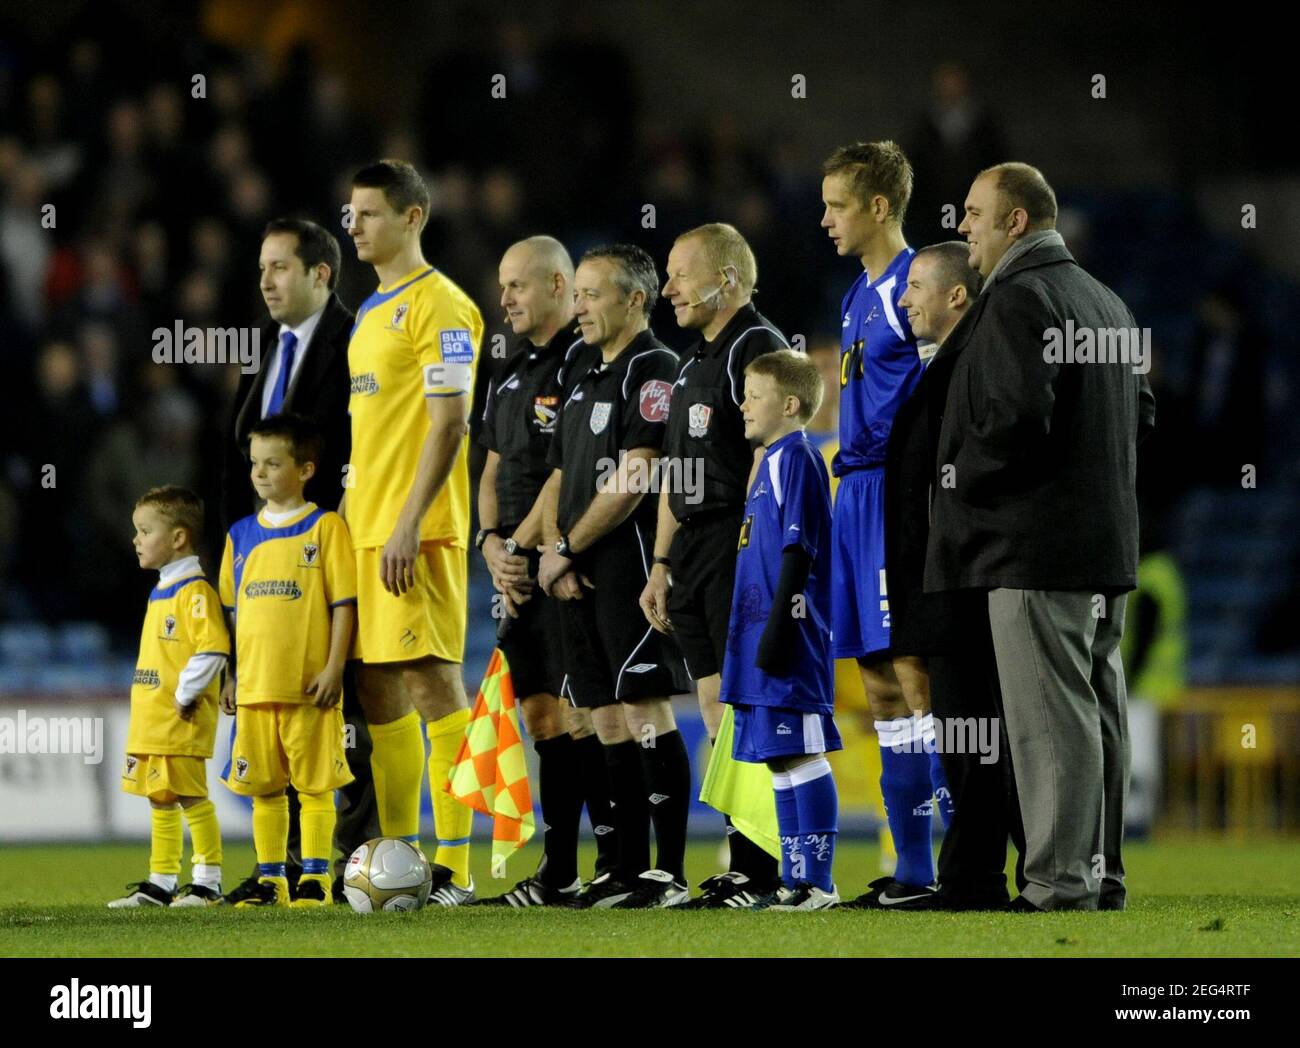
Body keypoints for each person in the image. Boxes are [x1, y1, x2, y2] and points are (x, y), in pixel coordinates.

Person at [927, 162, 1156, 911]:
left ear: (1016, 220)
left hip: (1031, 548)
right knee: (1097, 712)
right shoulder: (1109, 303)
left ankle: (1059, 882)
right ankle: (1101, 873)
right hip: (1106, 548)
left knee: (1048, 723)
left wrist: (956, 476)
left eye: (973, 213)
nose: (963, 227)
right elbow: (1143, 417)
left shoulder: (1019, 299)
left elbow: (1017, 419)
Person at [220, 217, 378, 905]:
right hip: (267, 550)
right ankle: (278, 872)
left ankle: (350, 861)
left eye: (280, 266)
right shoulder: (265, 346)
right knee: (281, 733)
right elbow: (241, 445)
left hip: (336, 544)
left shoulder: (357, 339)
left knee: (344, 716)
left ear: (321, 274)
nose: (265, 280)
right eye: (262, 267)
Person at [343, 160, 484, 906]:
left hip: (416, 532)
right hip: (364, 531)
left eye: (368, 214)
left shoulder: (443, 308)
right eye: (350, 215)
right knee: (377, 693)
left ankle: (455, 867)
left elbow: (450, 422)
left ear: (412, 217)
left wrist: (405, 522)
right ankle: (396, 857)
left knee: (432, 682)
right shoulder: (368, 311)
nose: (355, 227)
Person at [535, 244, 692, 908]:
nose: (579, 308)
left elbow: (636, 477)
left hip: (625, 565)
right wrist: (552, 558)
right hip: (573, 568)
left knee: (644, 709)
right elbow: (562, 474)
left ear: (634, 300)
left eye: (592, 295)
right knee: (600, 715)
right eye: (576, 295)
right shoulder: (576, 365)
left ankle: (671, 872)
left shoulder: (653, 367)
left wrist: (566, 547)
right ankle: (624, 867)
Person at [819, 141, 951, 907]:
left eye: (837, 205)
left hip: (900, 496)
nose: (826, 220)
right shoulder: (854, 294)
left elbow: (939, 404)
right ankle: (913, 870)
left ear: (877, 207)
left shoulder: (915, 285)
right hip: (855, 495)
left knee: (915, 675)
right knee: (876, 681)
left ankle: (952, 860)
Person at [640, 222, 787, 907]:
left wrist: (757, 549)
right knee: (715, 703)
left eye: (678, 272)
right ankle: (743, 858)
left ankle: (764, 869)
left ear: (725, 279)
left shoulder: (755, 345)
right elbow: (675, 469)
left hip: (735, 539)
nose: (666, 287)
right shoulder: (692, 359)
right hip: (692, 547)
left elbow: (770, 451)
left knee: (745, 702)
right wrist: (661, 561)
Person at [474, 235, 619, 906]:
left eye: (518, 285)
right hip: (513, 567)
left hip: (557, 565)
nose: (504, 298)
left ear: (560, 286)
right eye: (503, 286)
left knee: (579, 711)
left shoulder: (583, 365)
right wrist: (487, 542)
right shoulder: (506, 370)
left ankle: (615, 862)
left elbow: (564, 472)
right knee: (538, 714)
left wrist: (524, 547)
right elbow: (494, 465)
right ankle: (558, 871)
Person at [886, 241, 1026, 909]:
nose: (904, 298)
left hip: (964, 584)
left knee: (977, 739)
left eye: (915, 285)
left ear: (957, 297)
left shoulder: (971, 364)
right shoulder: (943, 365)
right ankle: (981, 874)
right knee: (969, 738)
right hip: (946, 582)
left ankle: (975, 880)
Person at [218, 414, 357, 907]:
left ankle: (316, 878)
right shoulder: (239, 536)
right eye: (255, 463)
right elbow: (232, 616)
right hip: (255, 689)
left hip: (308, 687)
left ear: (305, 469)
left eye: (273, 463)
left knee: (315, 786)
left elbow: (344, 604)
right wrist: (232, 674)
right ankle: (272, 879)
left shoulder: (326, 528)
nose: (260, 473)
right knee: (264, 788)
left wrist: (334, 667)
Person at [722, 349, 839, 910]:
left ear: (790, 405)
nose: (743, 404)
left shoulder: (798, 457)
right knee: (777, 756)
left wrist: (779, 628)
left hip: (788, 635)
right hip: (758, 637)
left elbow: (800, 552)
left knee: (803, 754)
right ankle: (795, 879)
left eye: (755, 395)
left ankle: (818, 881)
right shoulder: (767, 463)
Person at [110, 486, 229, 908]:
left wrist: (185, 693)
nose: (136, 539)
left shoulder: (194, 593)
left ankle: (207, 881)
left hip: (179, 718)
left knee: (192, 797)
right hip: (153, 720)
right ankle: (160, 881)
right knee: (160, 798)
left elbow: (212, 647)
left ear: (178, 538)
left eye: (145, 531)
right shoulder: (162, 589)